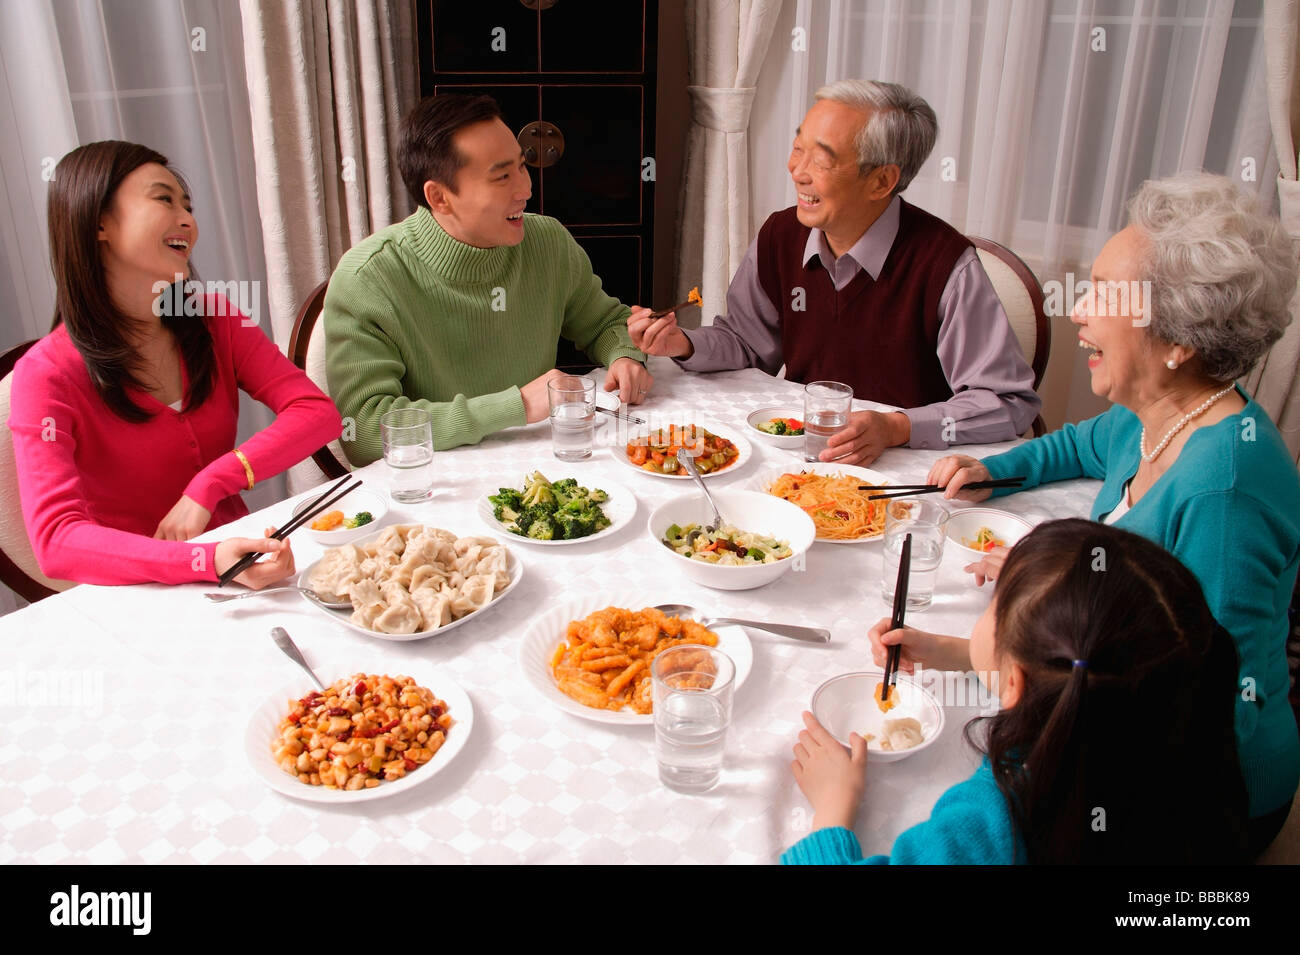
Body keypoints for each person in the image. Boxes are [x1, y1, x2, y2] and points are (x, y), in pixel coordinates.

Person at [929, 172, 1300, 848]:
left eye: (1102, 293)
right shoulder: (1157, 409)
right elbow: (1079, 443)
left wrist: (1013, 651)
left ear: (1177, 338)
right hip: (1116, 711)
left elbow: (1216, 712)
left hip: (1203, 797)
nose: (1080, 311)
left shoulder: (1226, 489)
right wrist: (994, 469)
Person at [783, 520, 1249, 864]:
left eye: (994, 605)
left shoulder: (998, 825)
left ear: (1015, 683)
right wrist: (960, 654)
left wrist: (832, 810)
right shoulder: (1187, 732)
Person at [628, 79, 1040, 466]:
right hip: (806, 457)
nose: (797, 171)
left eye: (821, 159)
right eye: (797, 147)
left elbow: (1007, 402)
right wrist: (683, 344)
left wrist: (897, 427)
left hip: (905, 469)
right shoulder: (781, 235)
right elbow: (746, 344)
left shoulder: (945, 264)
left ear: (882, 181)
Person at [9, 141, 342, 587]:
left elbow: (317, 414)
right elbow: (56, 542)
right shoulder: (45, 374)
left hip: (241, 565)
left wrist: (212, 482)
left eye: (188, 205)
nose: (188, 220)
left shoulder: (212, 318)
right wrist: (205, 561)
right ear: (98, 222)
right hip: (140, 597)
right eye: (164, 199)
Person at [324, 93, 653, 465]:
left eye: (522, 167)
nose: (526, 190)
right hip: (436, 494)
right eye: (501, 177)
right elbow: (365, 432)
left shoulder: (548, 241)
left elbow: (607, 323)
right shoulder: (368, 278)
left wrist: (625, 357)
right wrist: (519, 405)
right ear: (439, 197)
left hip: (544, 471)